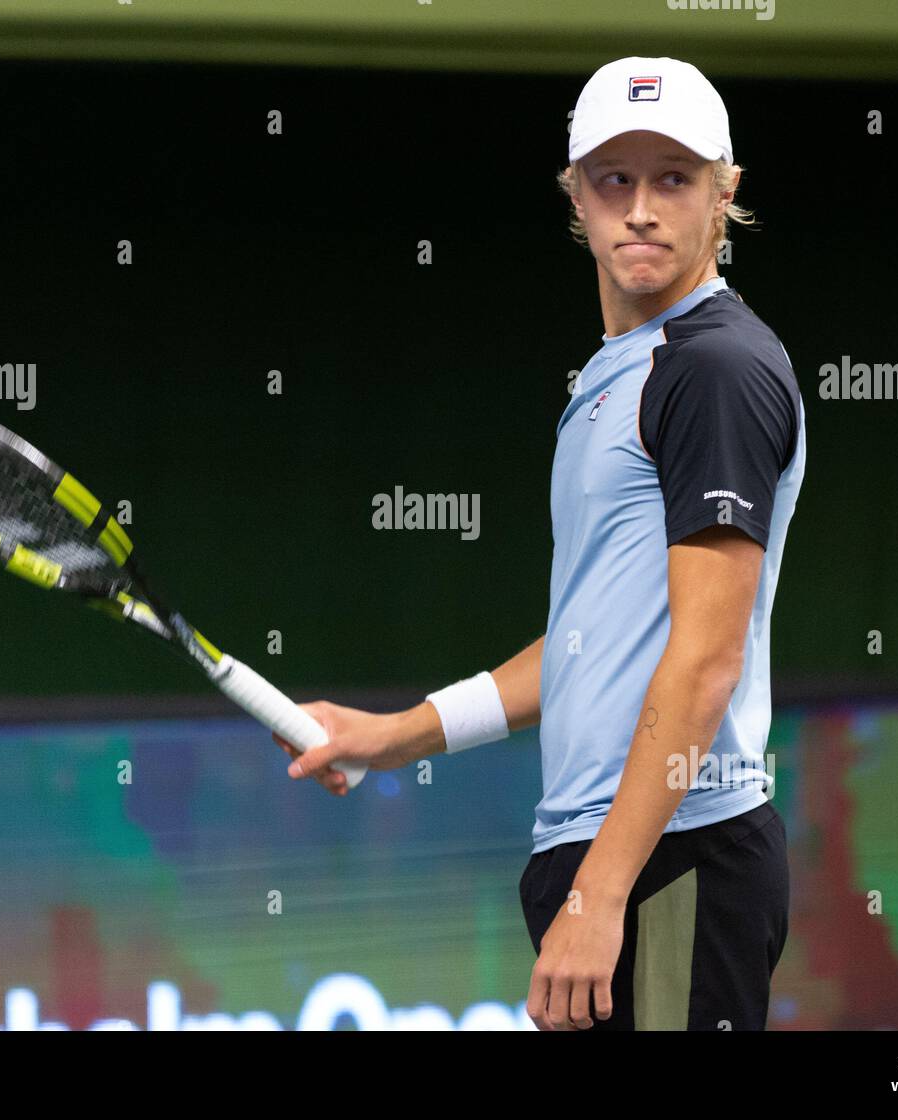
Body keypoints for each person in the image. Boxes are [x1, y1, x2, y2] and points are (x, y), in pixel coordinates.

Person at [276, 56, 805, 1032]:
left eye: (673, 179)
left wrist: (602, 894)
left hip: (673, 855)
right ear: (575, 195)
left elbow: (704, 661)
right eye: (614, 178)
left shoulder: (715, 368)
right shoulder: (619, 373)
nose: (640, 208)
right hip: (612, 852)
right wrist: (396, 735)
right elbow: (588, 644)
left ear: (725, 192)